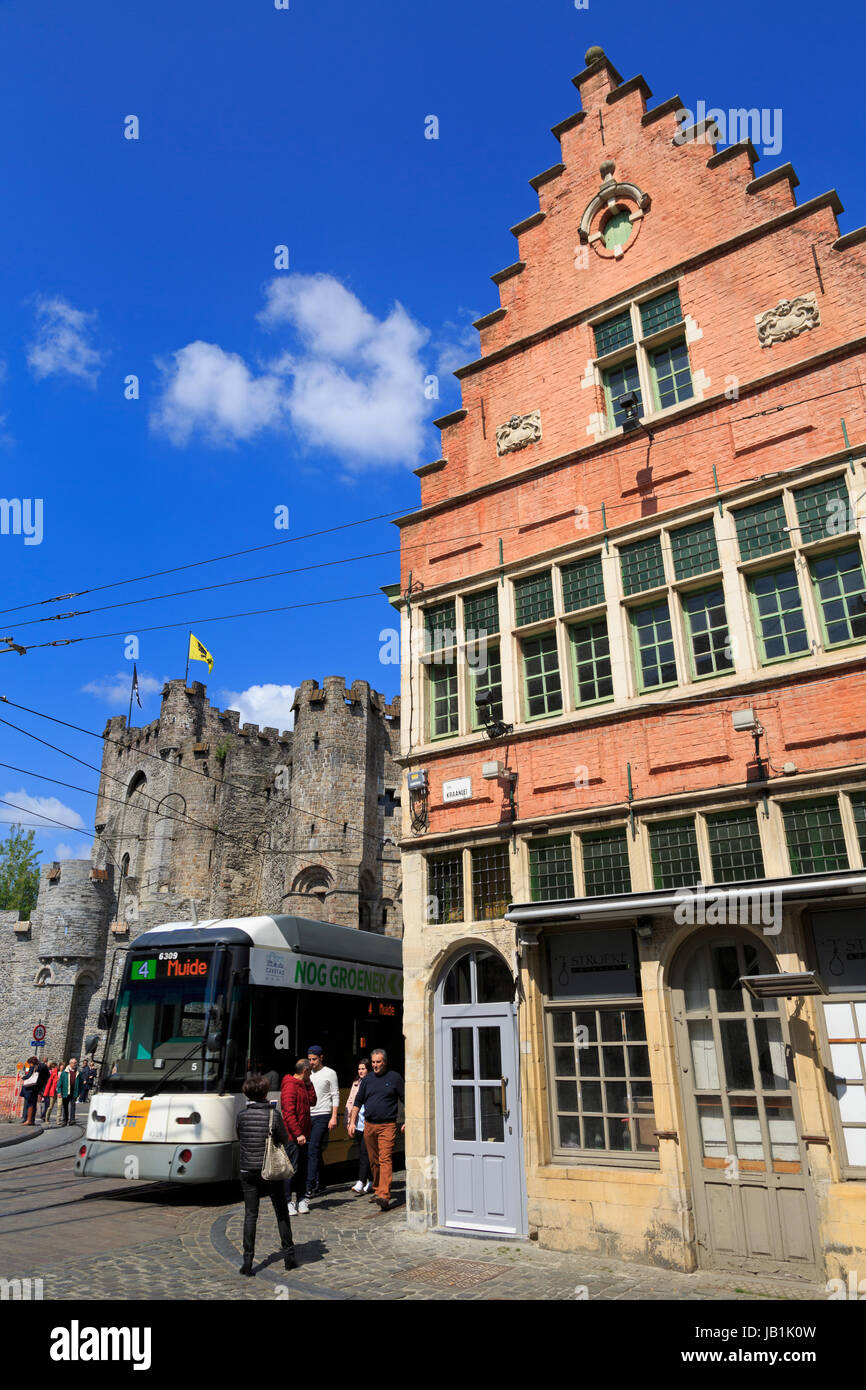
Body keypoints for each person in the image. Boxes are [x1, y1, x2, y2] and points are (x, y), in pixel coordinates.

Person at [235, 1074, 296, 1276]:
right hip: (270, 1171)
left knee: (250, 1214)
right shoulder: (273, 1115)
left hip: (248, 1170)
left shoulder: (242, 1115)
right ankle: (289, 1256)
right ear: (264, 1093)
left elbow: (240, 1137)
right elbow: (284, 1140)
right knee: (281, 1211)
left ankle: (247, 1261)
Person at [349, 1048, 404, 1212]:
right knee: (374, 1160)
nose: (375, 1065)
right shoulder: (367, 1079)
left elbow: (405, 1098)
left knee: (385, 1158)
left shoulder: (394, 1078)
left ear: (385, 1062)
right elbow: (357, 1102)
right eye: (373, 1062)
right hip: (369, 1125)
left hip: (387, 1125)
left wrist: (409, 1121)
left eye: (378, 1062)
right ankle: (379, 1189)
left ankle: (384, 1196)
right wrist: (352, 1122)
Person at [280, 1059, 316, 1215]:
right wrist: (298, 1133)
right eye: (310, 1071)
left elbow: (313, 1101)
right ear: (305, 1070)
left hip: (304, 1135)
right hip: (293, 1137)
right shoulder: (290, 1085)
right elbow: (288, 1113)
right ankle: (287, 1201)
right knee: (292, 1170)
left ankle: (301, 1199)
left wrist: (309, 1085)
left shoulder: (303, 1085)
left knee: (302, 1169)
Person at [305, 1045, 339, 1200]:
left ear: (321, 1058)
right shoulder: (307, 1074)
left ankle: (309, 1186)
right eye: (310, 1059)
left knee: (313, 1149)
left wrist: (334, 1116)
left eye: (314, 1059)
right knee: (314, 1150)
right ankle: (322, 1181)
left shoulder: (330, 1073)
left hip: (323, 1115)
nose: (311, 1062)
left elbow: (335, 1095)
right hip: (309, 1115)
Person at [345, 1058, 373, 1194]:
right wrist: (349, 1122)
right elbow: (350, 1103)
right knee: (365, 1153)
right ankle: (371, 1180)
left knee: (364, 1152)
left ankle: (361, 1181)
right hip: (358, 1124)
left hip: (369, 1123)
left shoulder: (372, 1083)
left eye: (363, 1069)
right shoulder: (356, 1084)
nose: (361, 1071)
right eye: (359, 1069)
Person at [58, 1058, 81, 1126]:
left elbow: (81, 1082)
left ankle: (72, 1120)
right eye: (74, 1063)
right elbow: (60, 1083)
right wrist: (59, 1092)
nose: (75, 1064)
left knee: (73, 1106)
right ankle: (65, 1120)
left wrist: (80, 1091)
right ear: (70, 1063)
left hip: (74, 1092)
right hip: (66, 1091)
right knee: (65, 1106)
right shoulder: (64, 1072)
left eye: (76, 1063)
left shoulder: (78, 1072)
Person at [19, 1058, 40, 1125]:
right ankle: (31, 1120)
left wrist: (23, 1078)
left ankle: (28, 1120)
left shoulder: (32, 1067)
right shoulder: (38, 1068)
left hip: (29, 1088)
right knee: (33, 1104)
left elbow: (28, 1075)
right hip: (35, 1088)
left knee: (29, 1104)